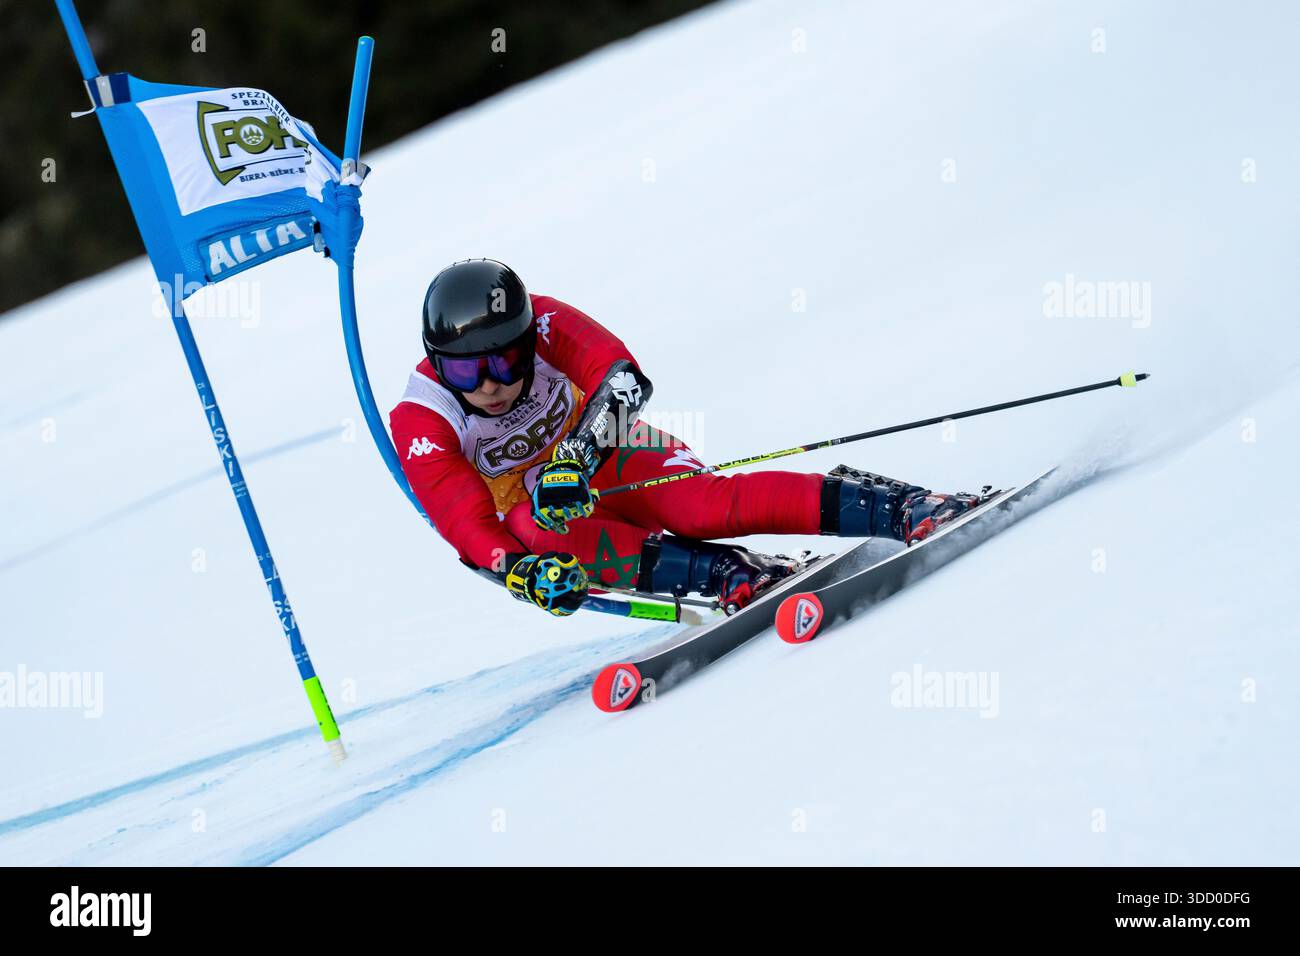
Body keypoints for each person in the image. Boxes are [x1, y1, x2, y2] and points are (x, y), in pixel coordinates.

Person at [390, 259, 986, 617]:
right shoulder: (424, 419)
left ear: (527, 340)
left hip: (610, 450)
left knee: (705, 507)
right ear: (439, 365)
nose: (490, 383)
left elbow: (623, 382)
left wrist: (576, 458)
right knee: (531, 527)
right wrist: (524, 575)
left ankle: (899, 507)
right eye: (467, 370)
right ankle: (723, 575)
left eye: (505, 361)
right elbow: (466, 525)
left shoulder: (546, 321)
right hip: (550, 513)